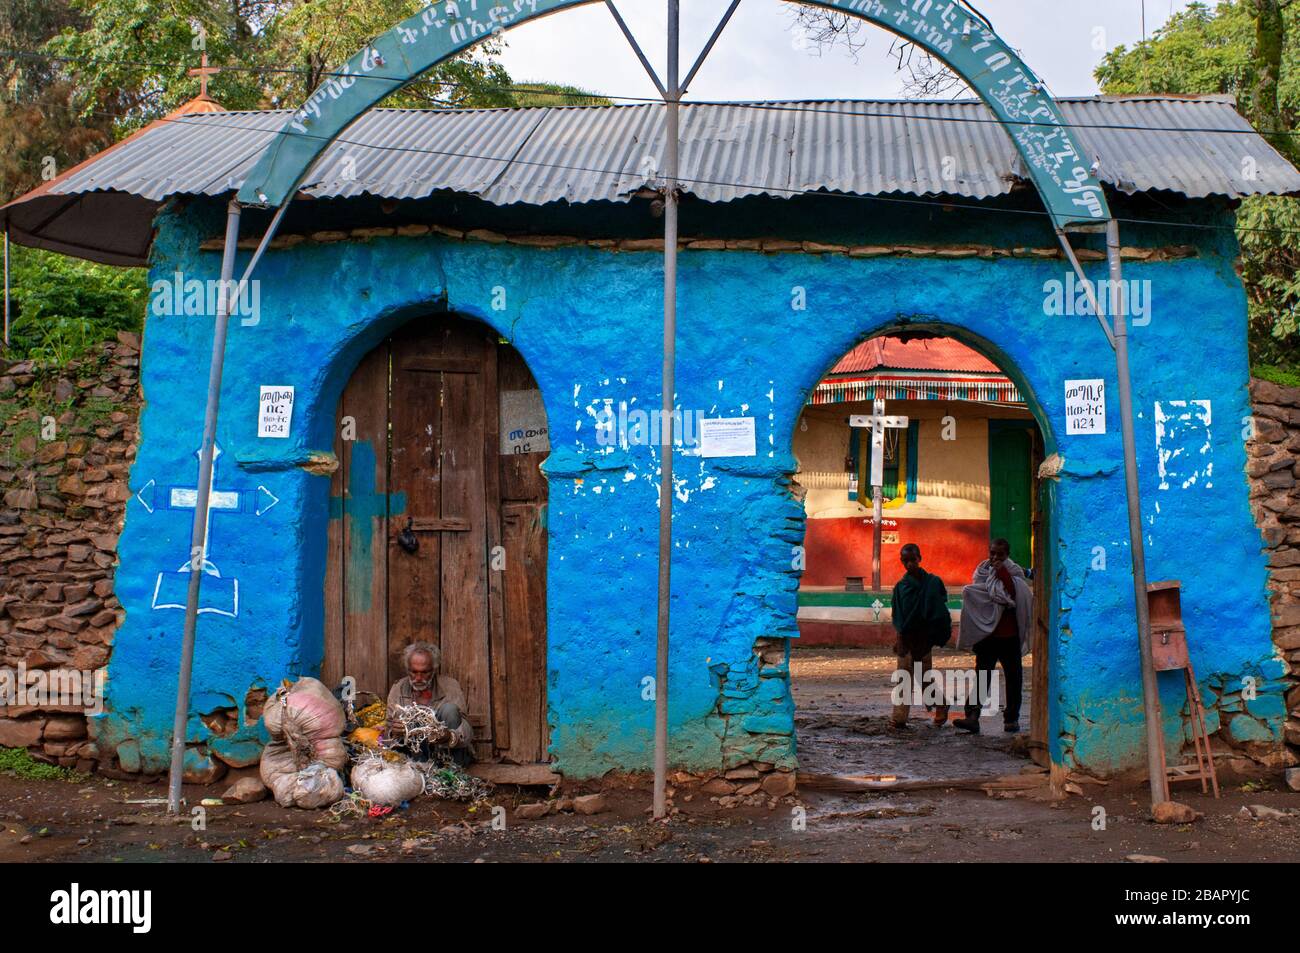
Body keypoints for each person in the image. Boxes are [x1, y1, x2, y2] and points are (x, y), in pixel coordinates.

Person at [954, 538, 1033, 734]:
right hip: (987, 637)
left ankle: (1011, 719)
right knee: (982, 677)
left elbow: (1014, 594)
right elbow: (978, 594)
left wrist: (1002, 573)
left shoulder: (1014, 573)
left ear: (1007, 555)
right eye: (992, 553)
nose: (995, 557)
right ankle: (972, 716)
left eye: (1000, 554)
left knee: (1014, 679)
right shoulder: (982, 572)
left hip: (1009, 636)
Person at [889, 543, 953, 729]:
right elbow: (898, 615)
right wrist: (899, 638)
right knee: (903, 678)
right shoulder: (901, 587)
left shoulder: (933, 583)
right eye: (905, 560)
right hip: (906, 639)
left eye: (913, 559)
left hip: (924, 639)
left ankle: (940, 704)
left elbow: (939, 611)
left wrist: (934, 635)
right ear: (902, 562)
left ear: (920, 558)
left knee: (923, 677)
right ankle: (899, 718)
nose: (910, 564)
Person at [386, 641, 474, 763]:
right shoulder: (398, 688)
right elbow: (387, 732)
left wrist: (449, 736)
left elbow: (467, 730)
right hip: (413, 756)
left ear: (433, 670)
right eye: (414, 672)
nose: (418, 678)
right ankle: (421, 770)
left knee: (450, 709)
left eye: (424, 672)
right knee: (413, 717)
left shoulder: (450, 686)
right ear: (407, 669)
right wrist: (394, 732)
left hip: (446, 752)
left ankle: (453, 770)